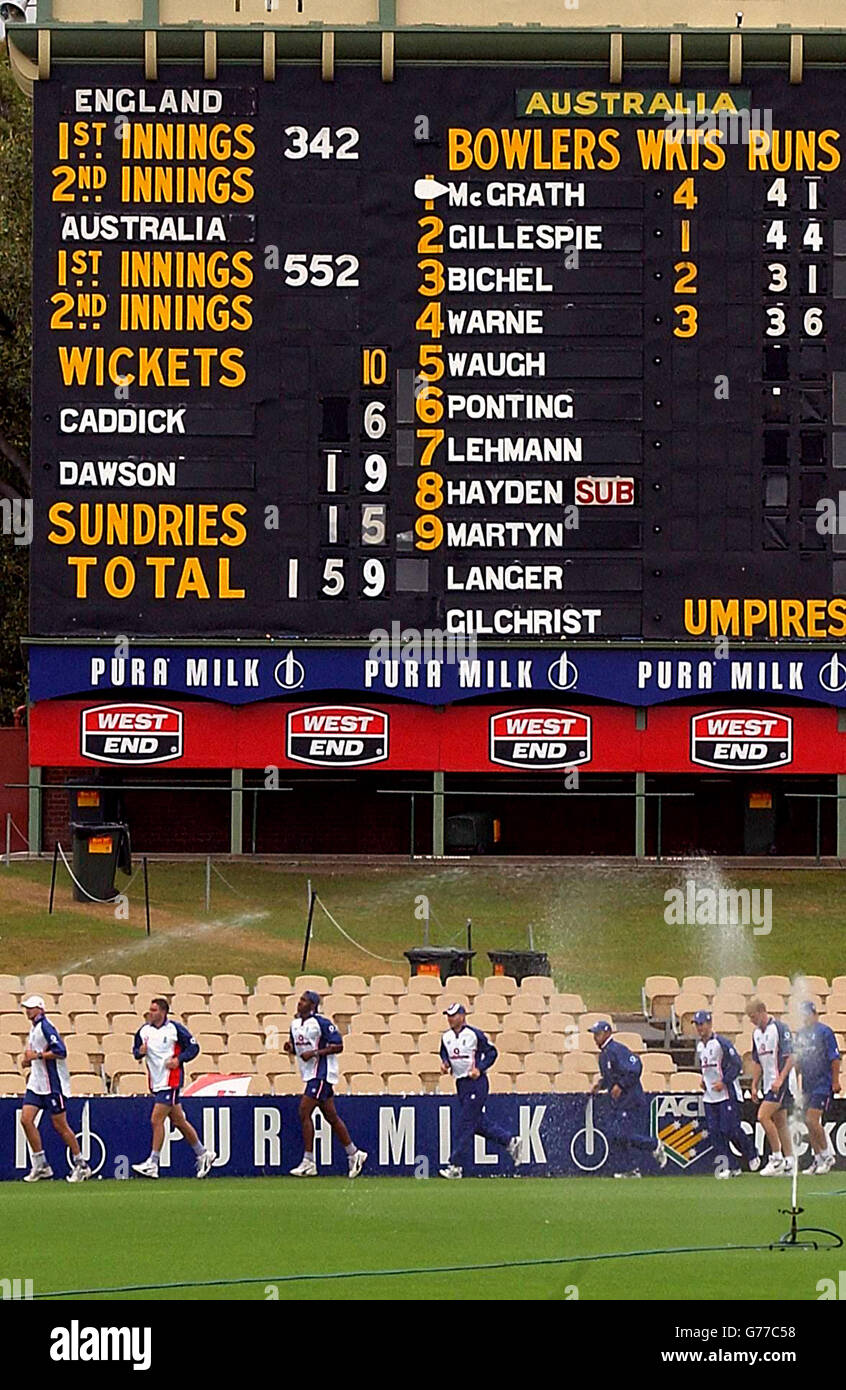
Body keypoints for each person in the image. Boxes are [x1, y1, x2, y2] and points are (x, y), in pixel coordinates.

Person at [285, 990, 367, 1178]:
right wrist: (290, 1049)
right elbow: (298, 1049)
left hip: (322, 1074)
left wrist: (314, 1053)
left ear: (312, 1005)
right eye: (300, 1000)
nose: (300, 1003)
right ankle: (354, 1153)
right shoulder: (295, 1024)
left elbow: (338, 1045)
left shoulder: (321, 1023)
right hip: (309, 1074)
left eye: (304, 1001)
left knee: (304, 1111)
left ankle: (309, 1161)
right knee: (331, 1116)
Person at [131, 997, 214, 1179]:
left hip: (171, 1081)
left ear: (162, 1012)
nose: (150, 1013)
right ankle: (203, 1153)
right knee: (178, 1121)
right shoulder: (144, 1031)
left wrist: (178, 1060)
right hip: (157, 1082)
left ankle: (153, 1163)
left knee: (156, 1119)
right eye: (150, 1010)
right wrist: (140, 1053)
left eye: (154, 1010)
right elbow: (135, 1050)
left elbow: (193, 1048)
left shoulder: (175, 1029)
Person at [438, 1001, 522, 1179]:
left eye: (453, 1015)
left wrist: (481, 1068)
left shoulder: (474, 1035)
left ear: (462, 1016)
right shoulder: (446, 1037)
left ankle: (455, 1165)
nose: (450, 1019)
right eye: (449, 1016)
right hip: (461, 1083)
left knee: (465, 1123)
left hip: (477, 1083)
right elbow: (444, 1052)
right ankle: (509, 1141)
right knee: (476, 1123)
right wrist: (445, 1063)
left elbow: (492, 1052)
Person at [19, 994, 92, 1183]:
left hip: (52, 1085)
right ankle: (40, 1164)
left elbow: (61, 1051)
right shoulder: (35, 1028)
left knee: (60, 1125)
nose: (28, 1010)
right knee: (26, 1120)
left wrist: (37, 1056)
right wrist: (30, 1061)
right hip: (37, 1084)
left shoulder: (45, 1026)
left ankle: (81, 1164)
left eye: (31, 1007)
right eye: (27, 1007)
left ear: (40, 1009)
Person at [589, 1020, 667, 1177]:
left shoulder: (617, 1049)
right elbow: (611, 1076)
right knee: (617, 1135)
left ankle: (653, 1145)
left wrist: (621, 1085)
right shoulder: (604, 1055)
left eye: (598, 1034)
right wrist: (601, 1084)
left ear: (607, 1033)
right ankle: (630, 1169)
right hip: (619, 1102)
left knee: (623, 1134)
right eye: (594, 1035)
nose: (595, 1038)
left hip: (630, 1100)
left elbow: (635, 1067)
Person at [693, 1009, 760, 1177]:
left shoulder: (721, 1043)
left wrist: (724, 1082)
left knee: (730, 1129)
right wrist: (704, 1079)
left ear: (709, 1024)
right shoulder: (700, 1046)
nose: (699, 1028)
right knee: (715, 1132)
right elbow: (707, 1066)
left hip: (727, 1094)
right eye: (697, 1025)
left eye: (702, 1024)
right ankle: (731, 1165)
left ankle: (752, 1153)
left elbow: (737, 1064)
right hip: (710, 1096)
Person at [746, 996, 796, 1177]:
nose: (751, 1020)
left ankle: (777, 1158)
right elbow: (757, 1061)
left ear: (762, 1012)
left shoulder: (780, 1028)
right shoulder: (756, 1034)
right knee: (780, 1121)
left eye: (753, 1016)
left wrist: (780, 1080)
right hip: (768, 1083)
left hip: (781, 1082)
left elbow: (791, 1057)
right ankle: (790, 1160)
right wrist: (754, 1085)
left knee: (763, 1116)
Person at [794, 1001, 840, 1174]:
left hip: (822, 1083)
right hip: (807, 1084)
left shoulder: (825, 1032)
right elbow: (798, 1060)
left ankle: (827, 1155)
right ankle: (817, 1157)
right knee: (808, 1121)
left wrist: (835, 1081)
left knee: (813, 1119)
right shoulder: (801, 1034)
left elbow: (834, 1058)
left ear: (814, 1014)